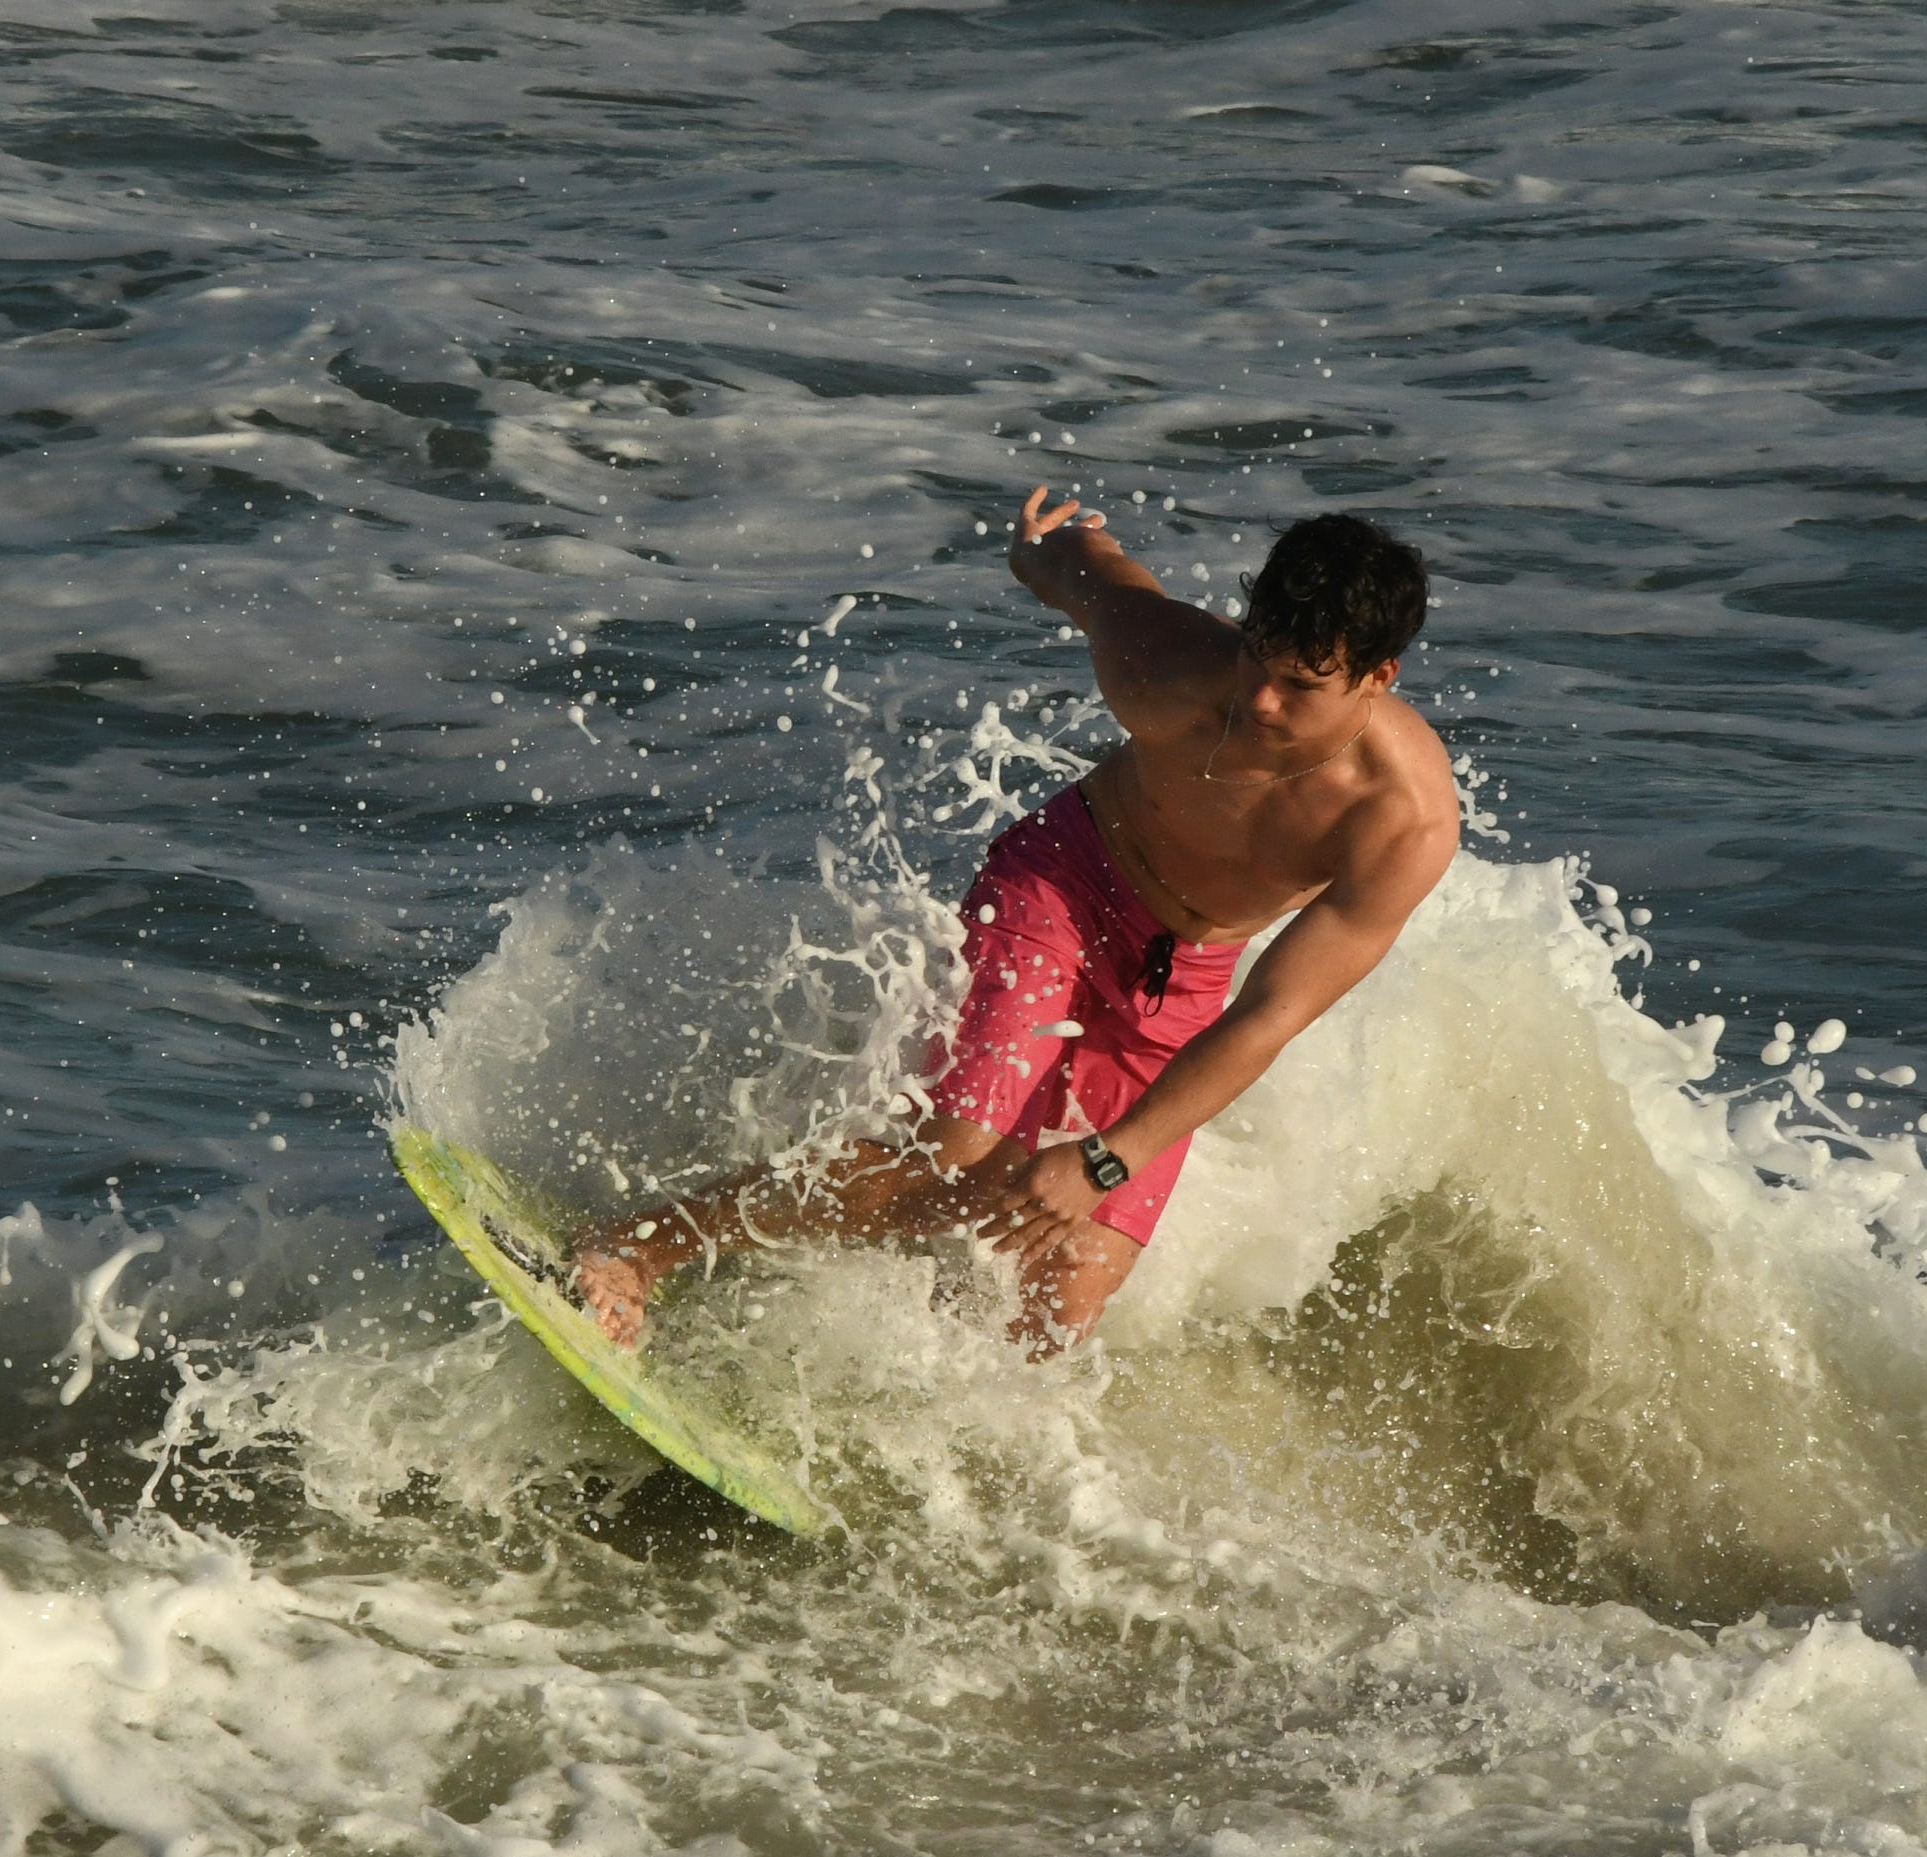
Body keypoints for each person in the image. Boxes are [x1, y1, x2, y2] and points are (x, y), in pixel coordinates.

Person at [570, 490, 1459, 1349]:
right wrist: (1047, 547)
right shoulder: (1172, 667)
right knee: (954, 1151)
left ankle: (905, 1422)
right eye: (1257, 657)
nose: (1262, 700)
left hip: (1180, 978)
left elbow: (1269, 1015)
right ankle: (639, 1246)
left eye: (1301, 685)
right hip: (1066, 882)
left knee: (1063, 1303)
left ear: (1380, 676)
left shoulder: (1400, 823)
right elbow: (1097, 582)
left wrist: (1104, 1159)